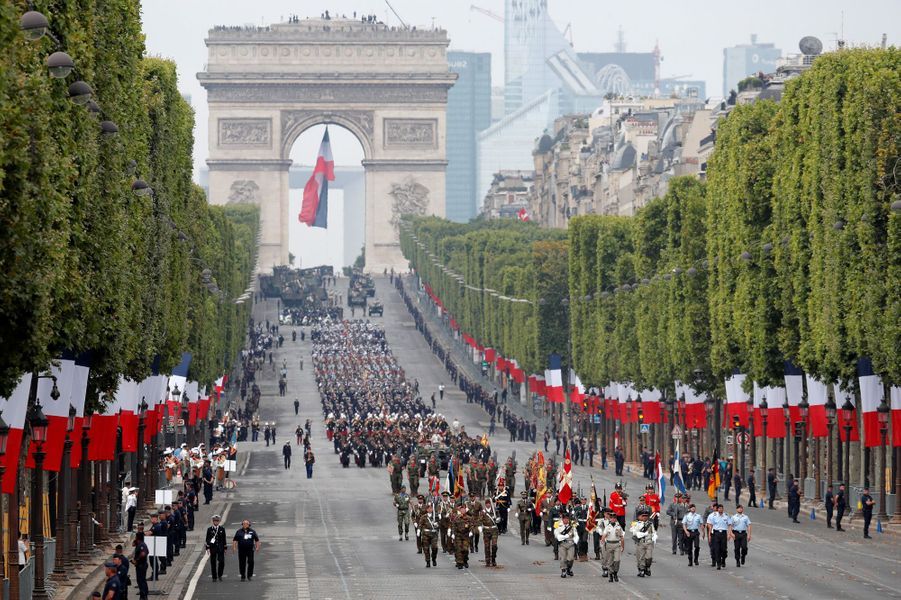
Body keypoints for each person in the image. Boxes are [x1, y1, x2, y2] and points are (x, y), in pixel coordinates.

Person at [599, 507, 624, 582]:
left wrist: (623, 546)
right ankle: (610, 575)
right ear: (610, 519)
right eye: (611, 518)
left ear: (616, 519)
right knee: (609, 561)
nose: (613, 519)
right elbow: (604, 535)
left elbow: (622, 537)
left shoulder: (619, 527)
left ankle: (615, 572)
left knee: (617, 560)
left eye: (614, 518)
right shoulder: (607, 526)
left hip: (616, 545)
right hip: (609, 544)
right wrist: (602, 541)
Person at [630, 507, 656, 577]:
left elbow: (653, 532)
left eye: (646, 516)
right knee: (641, 557)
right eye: (643, 516)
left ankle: (647, 567)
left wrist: (654, 536)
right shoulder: (635, 523)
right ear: (639, 516)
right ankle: (641, 570)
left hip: (649, 542)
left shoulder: (650, 524)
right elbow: (633, 531)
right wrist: (641, 534)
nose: (644, 517)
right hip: (640, 542)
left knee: (649, 557)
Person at [706, 503, 730, 570]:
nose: (720, 509)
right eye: (719, 508)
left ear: (723, 509)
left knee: (723, 549)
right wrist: (710, 534)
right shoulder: (713, 516)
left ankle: (723, 560)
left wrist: (729, 534)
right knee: (717, 549)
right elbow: (710, 525)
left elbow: (730, 525)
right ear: (717, 509)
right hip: (716, 533)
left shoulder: (726, 516)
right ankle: (718, 564)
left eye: (721, 508)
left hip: (723, 533)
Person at [554, 513, 578, 578]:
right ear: (562, 519)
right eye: (565, 519)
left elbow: (576, 535)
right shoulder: (558, 525)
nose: (566, 520)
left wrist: (576, 540)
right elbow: (557, 536)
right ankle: (563, 570)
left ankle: (569, 569)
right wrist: (566, 536)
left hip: (571, 544)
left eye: (567, 519)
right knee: (563, 558)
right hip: (562, 544)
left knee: (570, 559)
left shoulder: (572, 526)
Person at [479, 498, 500, 567]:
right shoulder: (483, 512)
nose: (488, 505)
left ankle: (493, 559)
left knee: (494, 546)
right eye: (487, 504)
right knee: (487, 546)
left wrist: (497, 519)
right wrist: (479, 526)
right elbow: (480, 520)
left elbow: (499, 517)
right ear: (485, 504)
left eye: (489, 503)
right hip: (486, 530)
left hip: (494, 530)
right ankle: (487, 561)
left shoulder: (494, 510)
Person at [206, 514, 227, 581]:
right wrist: (207, 548)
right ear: (213, 521)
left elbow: (224, 539)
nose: (216, 522)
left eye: (217, 521)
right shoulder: (209, 529)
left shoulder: (222, 529)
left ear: (219, 521)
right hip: (213, 548)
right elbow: (207, 539)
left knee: (221, 562)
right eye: (215, 521)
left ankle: (220, 574)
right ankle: (214, 577)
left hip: (220, 548)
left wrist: (225, 548)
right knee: (213, 562)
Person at [418, 503, 439, 567]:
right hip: (426, 534)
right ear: (427, 510)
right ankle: (428, 561)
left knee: (434, 547)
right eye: (428, 508)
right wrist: (419, 530)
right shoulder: (423, 517)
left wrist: (437, 524)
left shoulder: (435, 516)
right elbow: (420, 524)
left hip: (434, 534)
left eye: (431, 508)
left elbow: (439, 524)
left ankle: (434, 558)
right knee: (426, 549)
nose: (430, 509)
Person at [133, 532, 149, 600]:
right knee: (141, 580)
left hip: (141, 565)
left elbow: (143, 554)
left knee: (141, 580)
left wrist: (137, 560)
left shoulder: (142, 545)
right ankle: (144, 594)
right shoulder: (139, 544)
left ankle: (143, 595)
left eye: (136, 537)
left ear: (138, 538)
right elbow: (133, 544)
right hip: (140, 565)